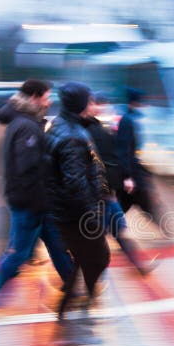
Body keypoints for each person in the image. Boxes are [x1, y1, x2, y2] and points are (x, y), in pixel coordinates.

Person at [0, 80, 74, 312]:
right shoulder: (25, 126)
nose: (49, 101)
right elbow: (28, 167)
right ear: (34, 97)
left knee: (58, 245)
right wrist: (52, 161)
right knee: (18, 252)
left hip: (38, 200)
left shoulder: (26, 122)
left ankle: (75, 287)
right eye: (46, 97)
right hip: (31, 203)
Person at [45, 82, 111, 322]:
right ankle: (84, 299)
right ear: (81, 104)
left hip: (64, 210)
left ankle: (71, 304)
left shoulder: (61, 125)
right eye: (89, 100)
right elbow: (75, 182)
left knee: (84, 259)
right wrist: (91, 214)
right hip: (77, 213)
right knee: (100, 257)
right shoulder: (73, 136)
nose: (93, 105)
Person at [83, 93, 156, 276]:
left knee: (119, 228)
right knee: (97, 237)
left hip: (107, 190)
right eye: (94, 103)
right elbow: (105, 159)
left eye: (100, 103)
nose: (97, 106)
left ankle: (139, 265)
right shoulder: (88, 129)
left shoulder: (98, 126)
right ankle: (76, 276)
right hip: (99, 191)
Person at [115, 88, 166, 233]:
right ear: (135, 102)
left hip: (133, 172)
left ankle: (104, 231)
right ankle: (167, 230)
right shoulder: (127, 121)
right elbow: (124, 150)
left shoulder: (131, 118)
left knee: (125, 205)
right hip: (132, 174)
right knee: (144, 204)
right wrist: (127, 176)